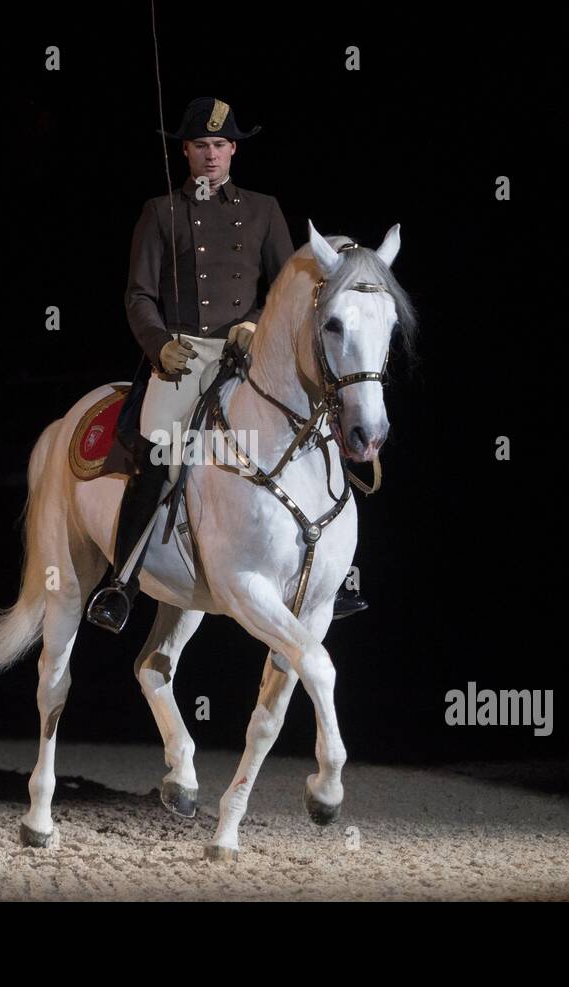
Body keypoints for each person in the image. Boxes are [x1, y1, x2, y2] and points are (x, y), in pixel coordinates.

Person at [85, 96, 367, 634]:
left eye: (219, 145)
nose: (211, 156)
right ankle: (119, 582)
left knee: (318, 430)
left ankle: (333, 574)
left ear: (233, 150)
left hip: (249, 352)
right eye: (200, 146)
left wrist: (257, 321)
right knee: (161, 448)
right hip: (184, 356)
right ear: (186, 152)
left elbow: (291, 288)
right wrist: (157, 343)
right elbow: (138, 296)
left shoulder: (263, 209)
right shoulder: (160, 212)